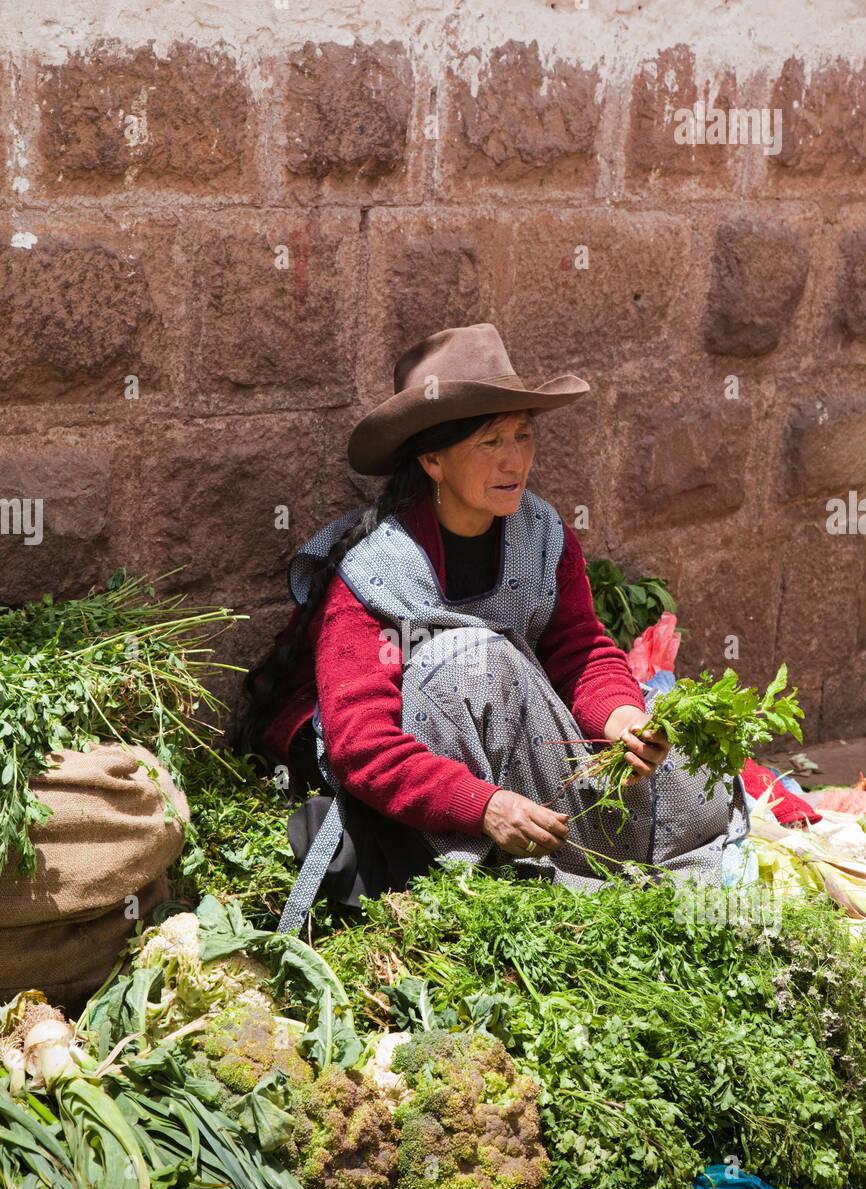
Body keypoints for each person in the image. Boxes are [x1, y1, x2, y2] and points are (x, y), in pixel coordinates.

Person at [239, 323, 748, 931]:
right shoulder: (376, 570)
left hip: (512, 744)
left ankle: (610, 872)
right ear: (432, 459)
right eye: (489, 442)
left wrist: (620, 717)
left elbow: (579, 648)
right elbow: (362, 745)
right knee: (474, 658)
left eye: (523, 436)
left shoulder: (539, 535)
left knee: (686, 757)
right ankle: (547, 875)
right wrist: (482, 807)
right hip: (423, 783)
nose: (516, 461)